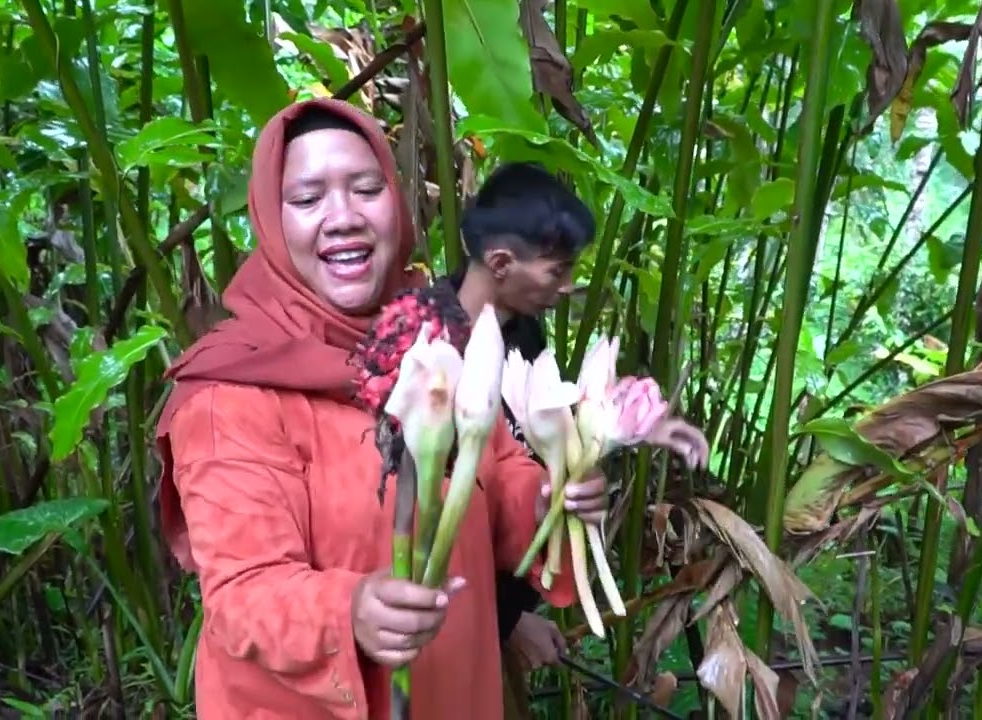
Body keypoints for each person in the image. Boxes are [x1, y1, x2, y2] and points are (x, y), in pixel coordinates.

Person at [153, 99, 609, 719]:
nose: (342, 217)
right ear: (270, 221)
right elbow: (242, 592)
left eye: (366, 189)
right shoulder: (229, 391)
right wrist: (350, 609)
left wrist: (553, 498)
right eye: (308, 199)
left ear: (395, 202)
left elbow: (499, 473)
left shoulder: (435, 340)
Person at [446, 162, 711, 714]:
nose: (568, 288)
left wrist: (633, 433)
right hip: (448, 628)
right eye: (557, 271)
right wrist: (508, 622)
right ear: (501, 263)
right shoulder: (429, 343)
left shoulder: (522, 333)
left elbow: (540, 435)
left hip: (495, 617)